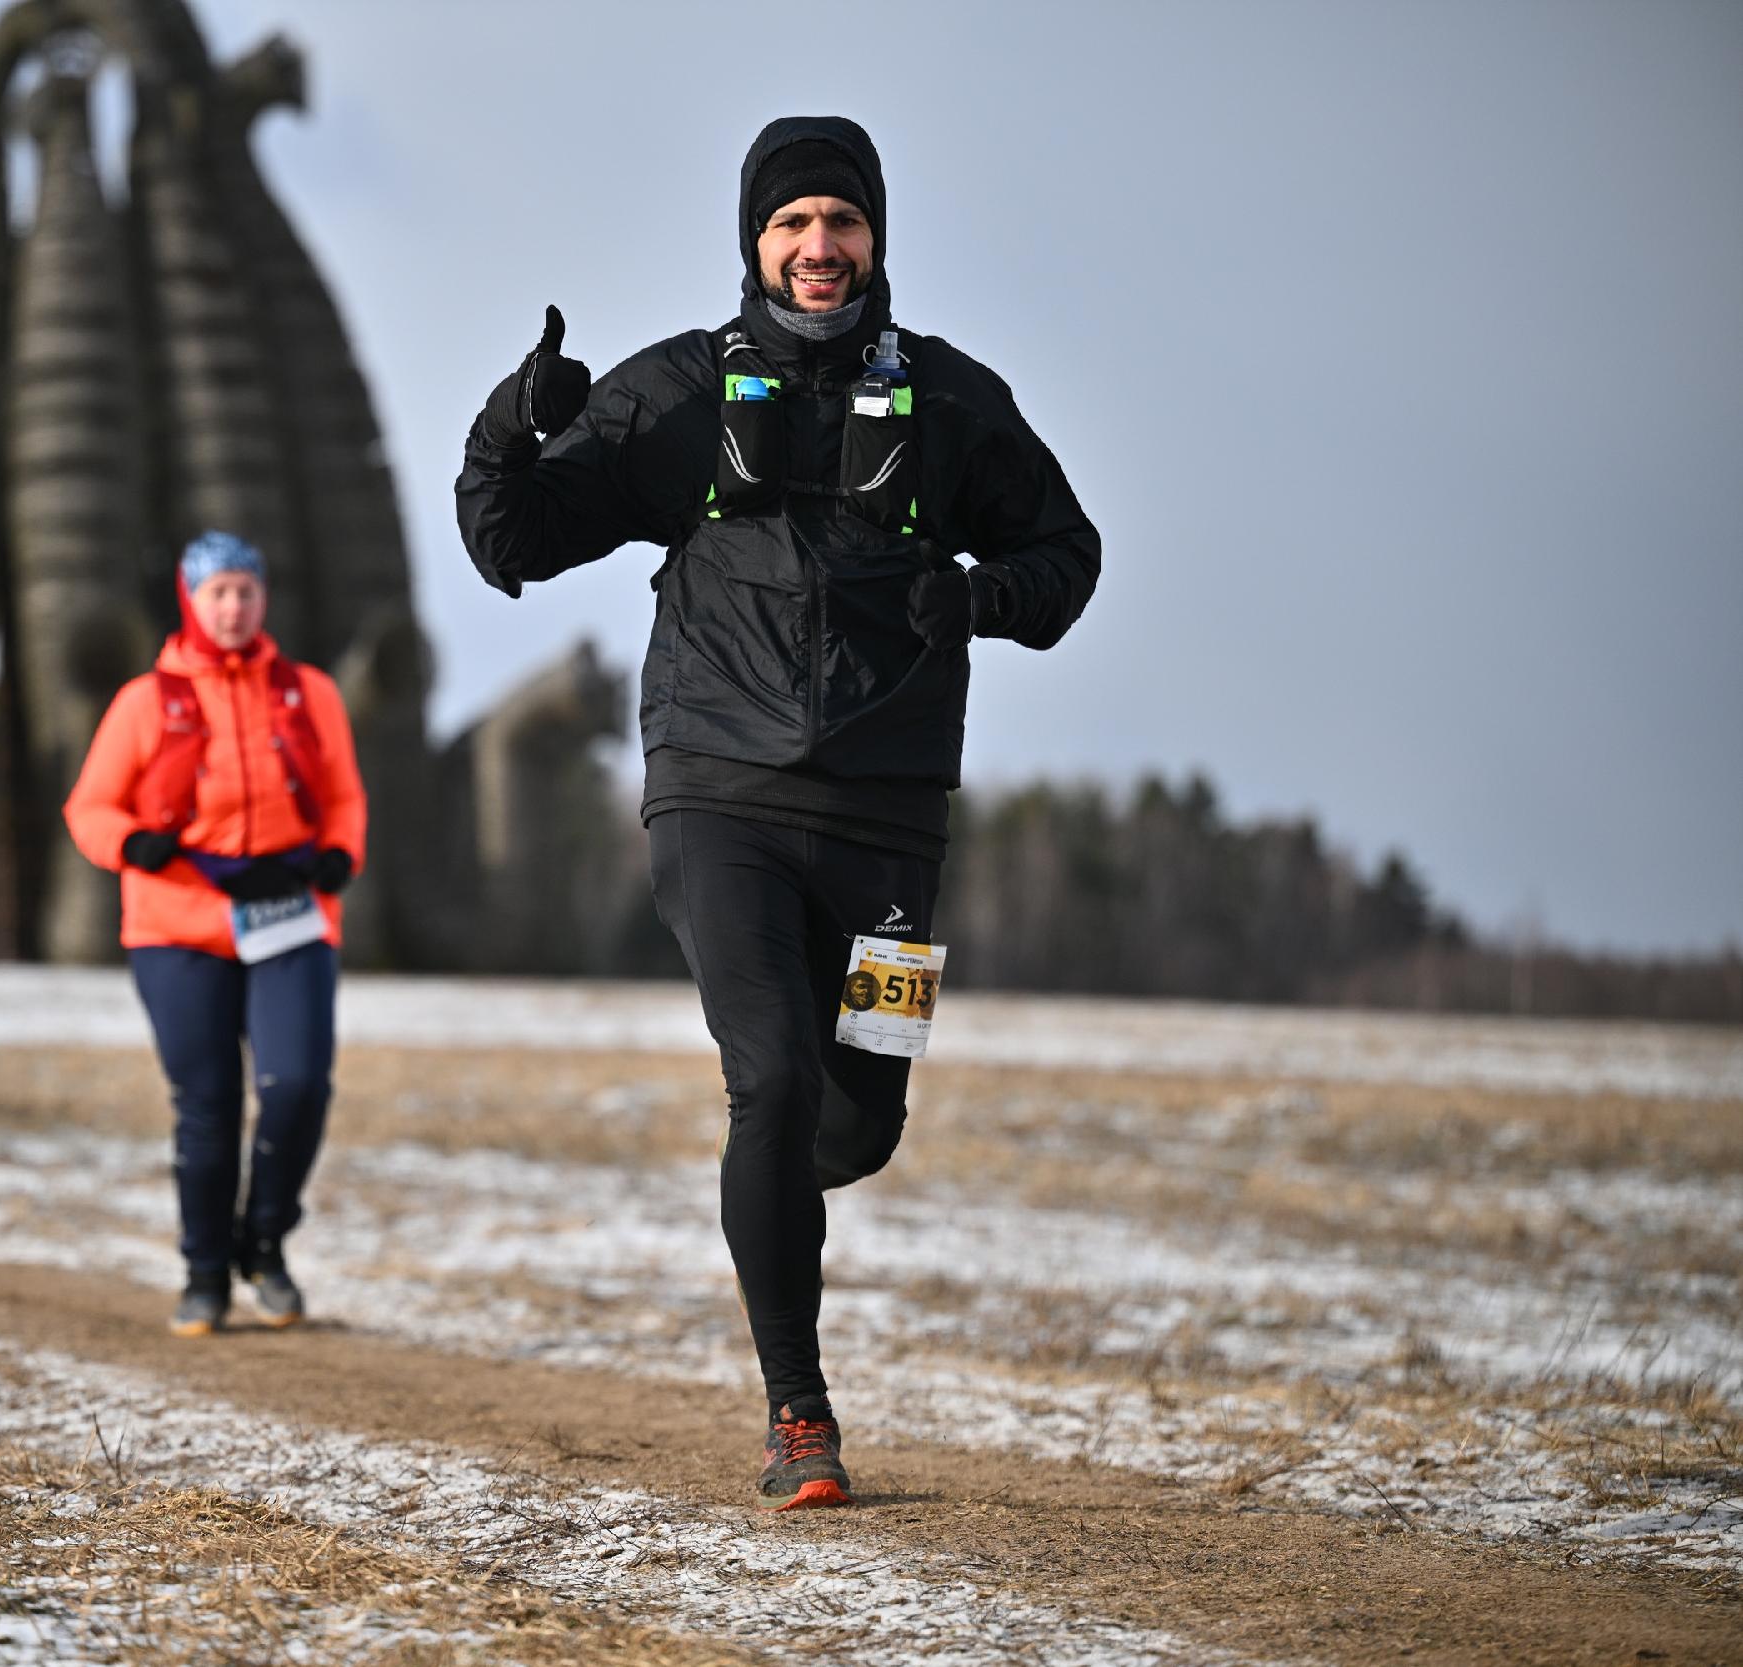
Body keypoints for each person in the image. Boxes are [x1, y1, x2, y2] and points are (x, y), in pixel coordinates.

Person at [454, 117, 1098, 1509]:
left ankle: (775, 1189)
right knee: (774, 1078)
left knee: (859, 1121)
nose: (819, 247)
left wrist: (979, 594)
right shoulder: (682, 392)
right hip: (718, 792)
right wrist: (511, 426)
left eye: (841, 221)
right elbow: (510, 541)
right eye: (793, 222)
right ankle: (798, 1411)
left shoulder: (952, 400)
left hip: (891, 818)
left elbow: (1069, 555)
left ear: (876, 238)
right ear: (755, 241)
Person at [66, 530, 367, 1337]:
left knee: (297, 1086)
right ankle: (204, 1272)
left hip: (290, 916)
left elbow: (344, 795)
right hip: (176, 923)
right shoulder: (144, 702)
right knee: (207, 1105)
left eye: (246, 591)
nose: (233, 607)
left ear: (263, 599)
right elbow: (89, 807)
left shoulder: (309, 692)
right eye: (217, 593)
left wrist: (341, 853)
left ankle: (264, 1243)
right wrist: (130, 843)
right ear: (189, 599)